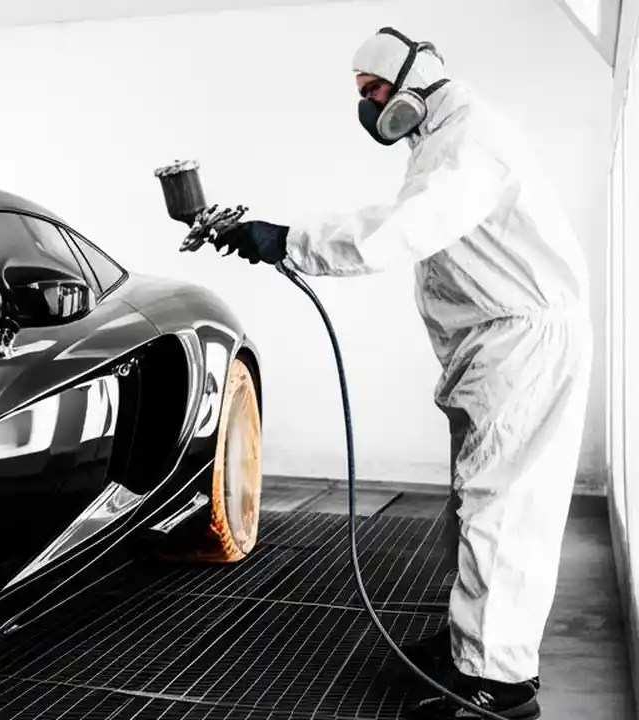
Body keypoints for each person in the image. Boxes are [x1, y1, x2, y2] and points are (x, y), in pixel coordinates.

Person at [214, 26, 592, 720]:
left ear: (415, 80)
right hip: (492, 346)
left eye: (375, 92)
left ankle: (499, 684)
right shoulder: (444, 141)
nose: (370, 109)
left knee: (501, 508)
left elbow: (401, 230)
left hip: (520, 345)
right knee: (477, 500)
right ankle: (469, 646)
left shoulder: (470, 140)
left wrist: (287, 239)